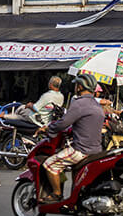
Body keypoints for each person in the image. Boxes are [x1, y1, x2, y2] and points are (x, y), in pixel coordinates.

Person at [39, 73, 104, 202]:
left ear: (79, 87)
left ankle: (57, 193)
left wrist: (49, 129)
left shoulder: (79, 103)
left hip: (81, 150)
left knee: (50, 164)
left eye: (76, 85)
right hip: (96, 150)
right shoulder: (96, 105)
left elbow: (63, 123)